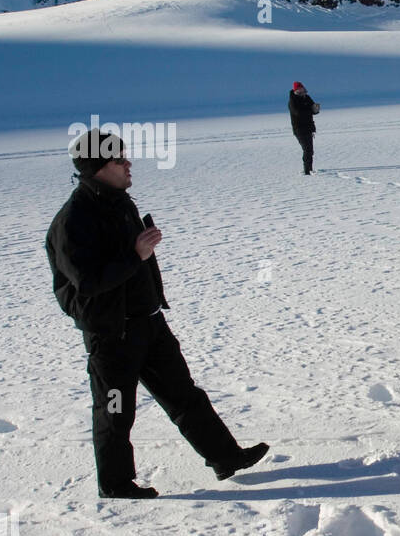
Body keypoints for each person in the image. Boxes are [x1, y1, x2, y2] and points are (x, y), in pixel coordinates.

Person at [46, 128, 269, 498]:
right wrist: (136, 254)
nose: (128, 163)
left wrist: (142, 262)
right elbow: (87, 281)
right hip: (111, 336)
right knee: (115, 410)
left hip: (149, 325)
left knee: (185, 396)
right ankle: (115, 485)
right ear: (98, 166)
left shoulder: (120, 202)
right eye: (119, 159)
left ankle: (225, 457)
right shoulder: (73, 221)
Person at [289, 81, 320, 175]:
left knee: (310, 150)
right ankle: (307, 171)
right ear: (295, 90)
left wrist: (316, 109)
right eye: (299, 89)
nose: (301, 90)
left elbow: (313, 109)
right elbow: (298, 113)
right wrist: (310, 110)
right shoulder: (293, 100)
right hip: (299, 129)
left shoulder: (307, 97)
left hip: (309, 127)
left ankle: (309, 169)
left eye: (301, 88)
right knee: (307, 149)